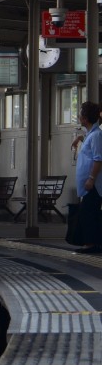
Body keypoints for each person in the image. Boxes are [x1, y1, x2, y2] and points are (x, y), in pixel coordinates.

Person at [71, 101, 102, 253]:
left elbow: (98, 158)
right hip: (89, 185)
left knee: (88, 213)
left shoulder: (96, 135)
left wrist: (91, 178)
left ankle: (90, 244)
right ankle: (92, 243)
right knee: (89, 212)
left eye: (80, 113)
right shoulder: (91, 135)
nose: (78, 116)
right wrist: (79, 138)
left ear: (85, 118)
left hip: (94, 184)